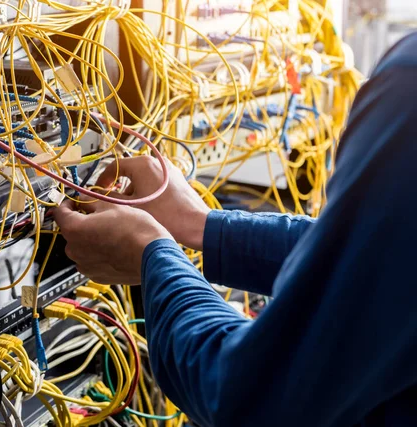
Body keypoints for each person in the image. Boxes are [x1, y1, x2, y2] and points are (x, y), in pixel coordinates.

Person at [53, 33, 417, 427]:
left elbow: (248, 395)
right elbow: (381, 265)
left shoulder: (407, 86)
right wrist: (204, 226)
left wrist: (153, 254)